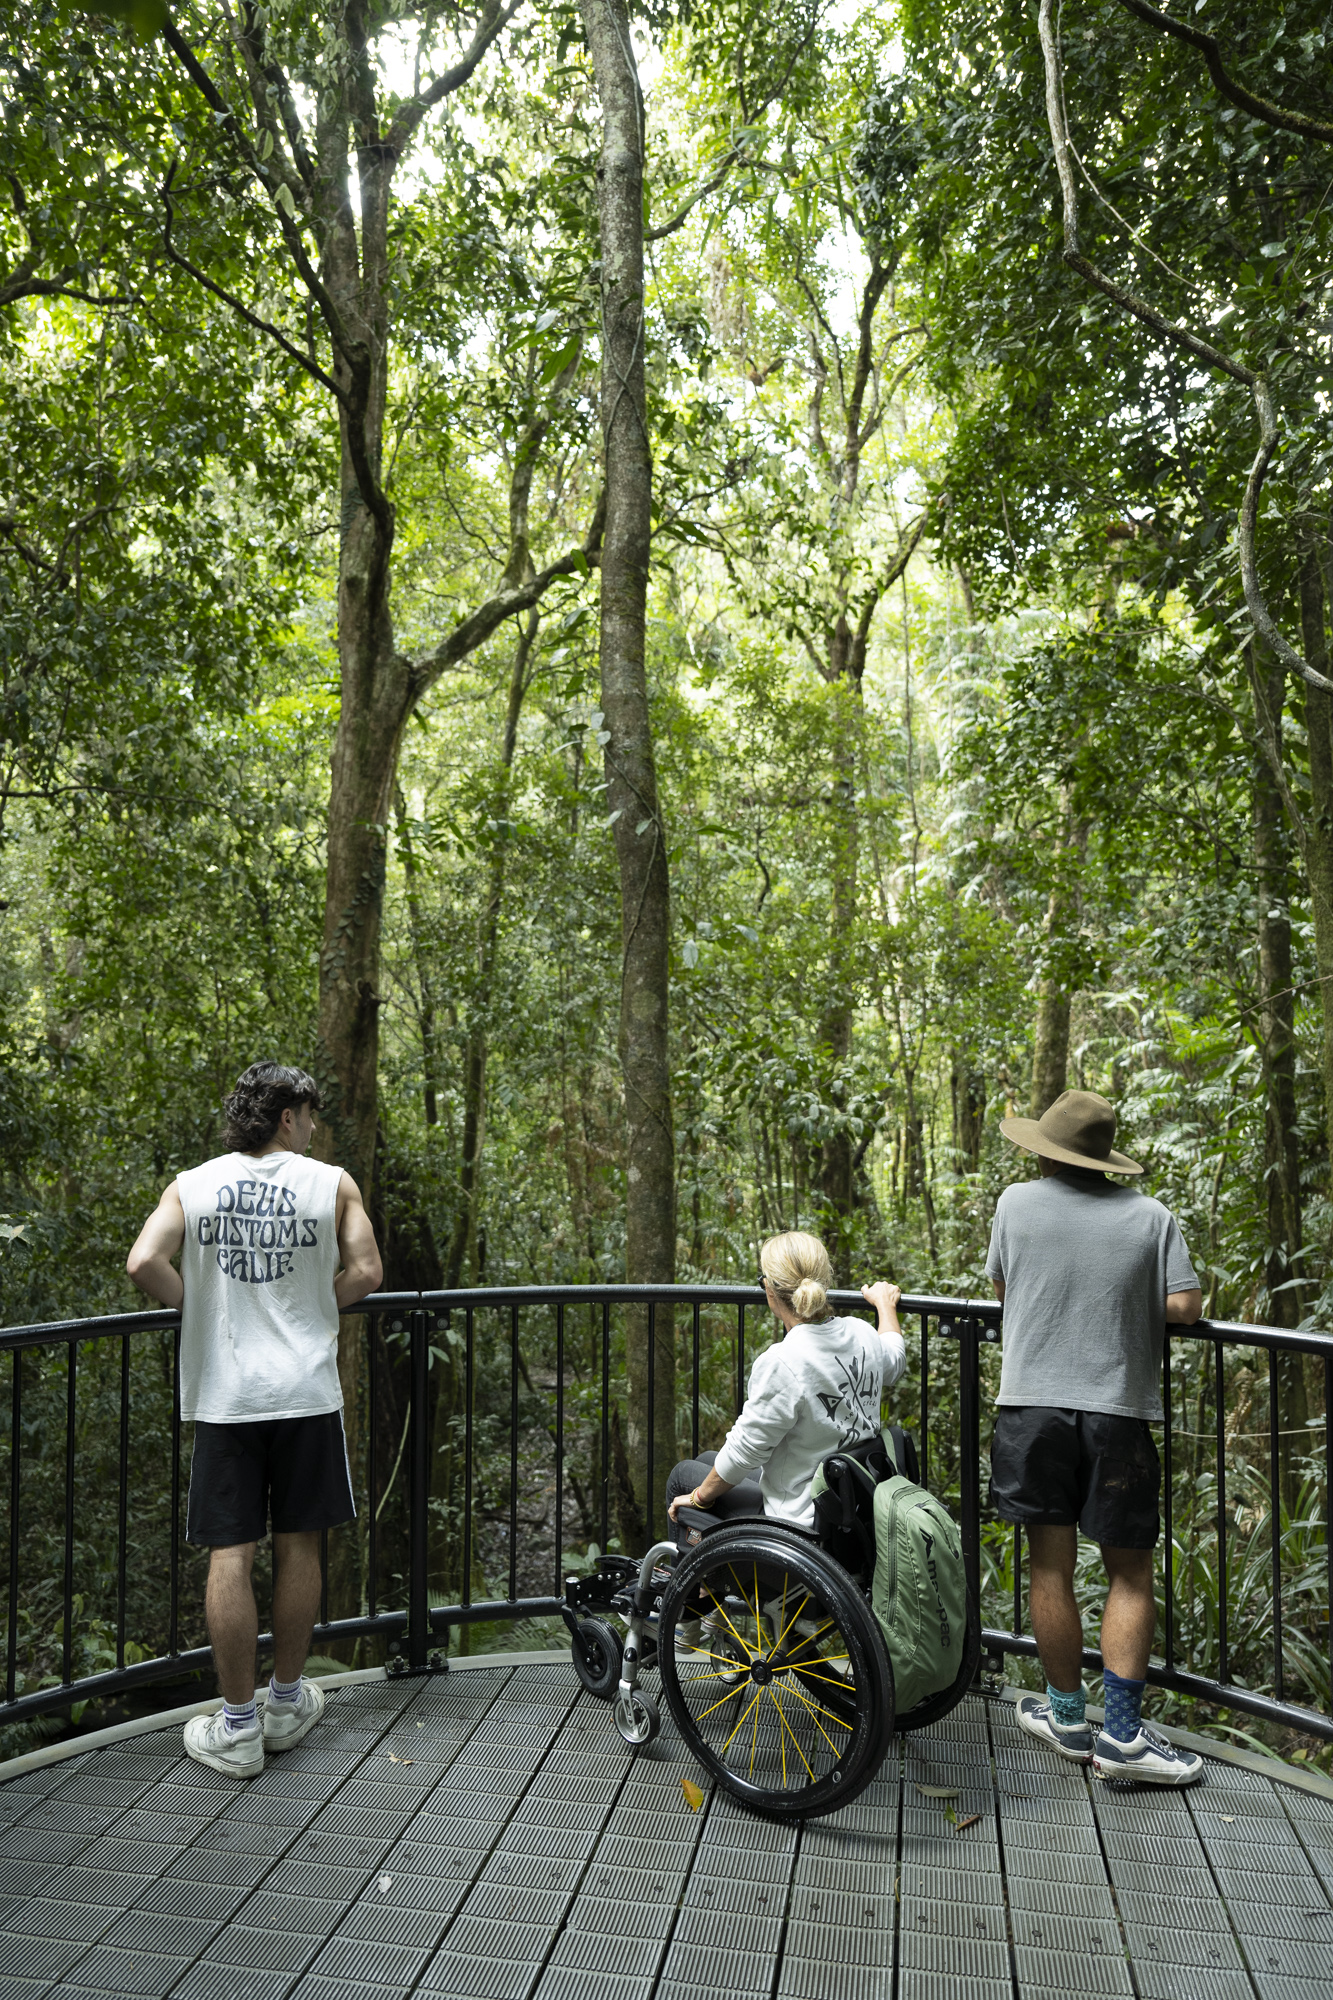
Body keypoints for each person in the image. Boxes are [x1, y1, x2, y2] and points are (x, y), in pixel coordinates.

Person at [127, 1061, 383, 1778]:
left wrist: (202, 1306)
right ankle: (286, 1704)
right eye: (310, 1115)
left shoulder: (193, 1185)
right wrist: (312, 1306)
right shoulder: (332, 1184)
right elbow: (367, 1272)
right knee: (301, 1546)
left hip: (228, 1394)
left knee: (230, 1554)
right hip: (305, 1391)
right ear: (287, 1116)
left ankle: (237, 1728)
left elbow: (144, 1261)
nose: (313, 1128)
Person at [986, 1088, 1203, 1785]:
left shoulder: (1014, 1204)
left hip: (1030, 1410)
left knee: (1048, 1567)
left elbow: (1004, 1289)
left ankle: (1066, 1719)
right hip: (1116, 1411)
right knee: (1128, 1572)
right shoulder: (1150, 1217)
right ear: (1105, 1159)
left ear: (1047, 1153)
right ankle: (1124, 1739)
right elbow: (1185, 1305)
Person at [665, 1230, 907, 1541]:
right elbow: (894, 1360)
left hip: (801, 1522)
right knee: (705, 1462)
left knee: (682, 1477)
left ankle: (686, 1572)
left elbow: (744, 1452)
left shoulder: (784, 1361)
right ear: (825, 1281)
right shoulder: (862, 1333)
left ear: (769, 1289)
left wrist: (698, 1498)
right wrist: (885, 1306)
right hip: (849, 1503)